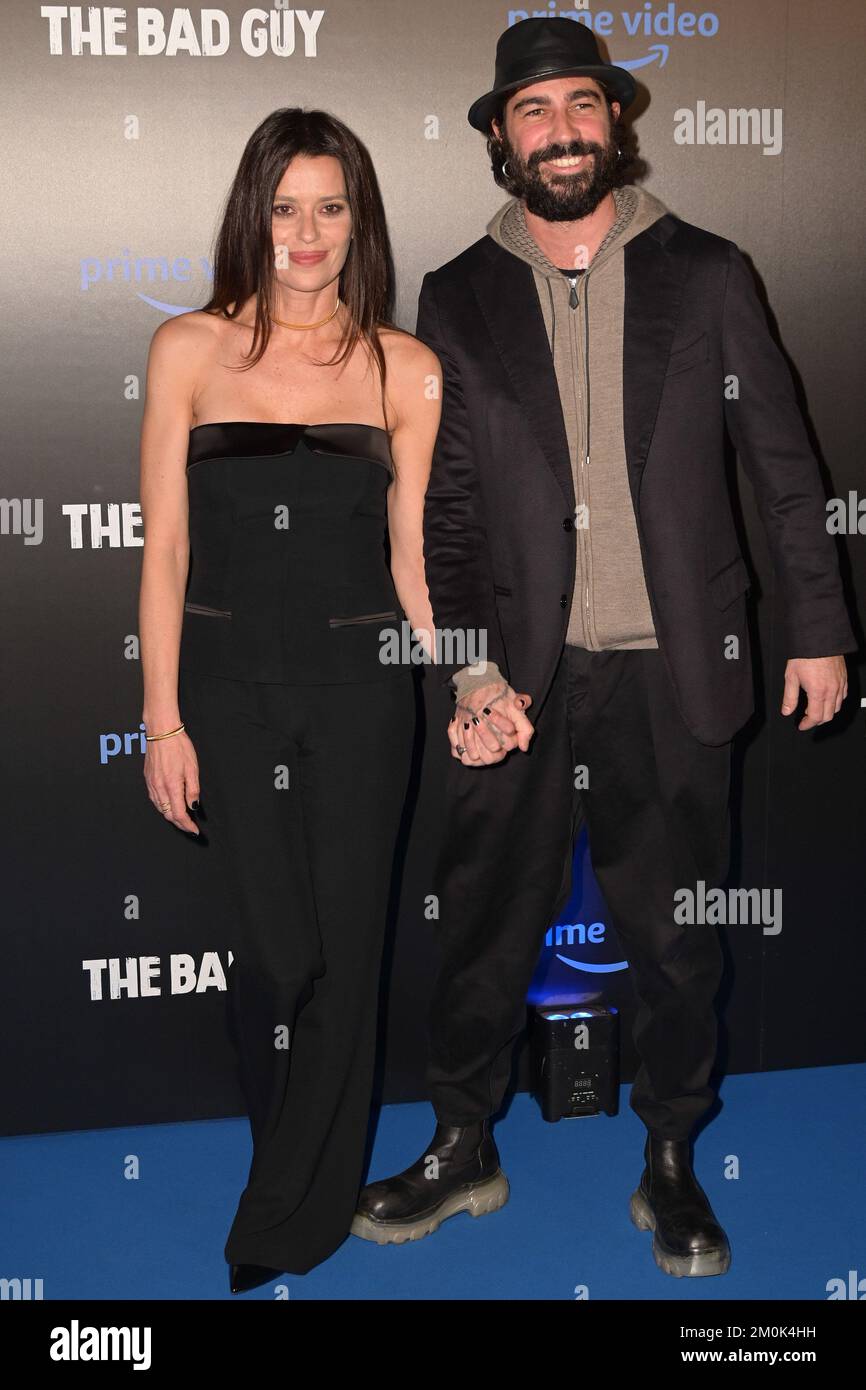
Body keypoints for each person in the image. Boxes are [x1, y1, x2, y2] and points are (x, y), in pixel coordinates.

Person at [352, 19, 855, 1277]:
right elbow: (446, 512)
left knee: (677, 937)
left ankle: (670, 1157)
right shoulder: (456, 294)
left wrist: (816, 628)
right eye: (531, 110)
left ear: (614, 121)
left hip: (670, 666)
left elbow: (782, 468)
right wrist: (471, 670)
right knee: (482, 925)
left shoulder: (710, 271)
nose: (560, 130)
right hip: (512, 682)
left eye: (580, 104)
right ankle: (461, 1143)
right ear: (499, 137)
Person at [138, 107, 440, 1291]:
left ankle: (289, 1212)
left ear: (358, 221)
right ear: (250, 215)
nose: (305, 233)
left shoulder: (402, 366)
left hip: (362, 694)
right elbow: (165, 550)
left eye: (329, 207)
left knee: (348, 954)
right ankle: (287, 1154)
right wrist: (162, 718)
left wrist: (469, 672)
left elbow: (413, 562)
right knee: (276, 956)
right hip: (228, 692)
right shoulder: (188, 349)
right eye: (283, 207)